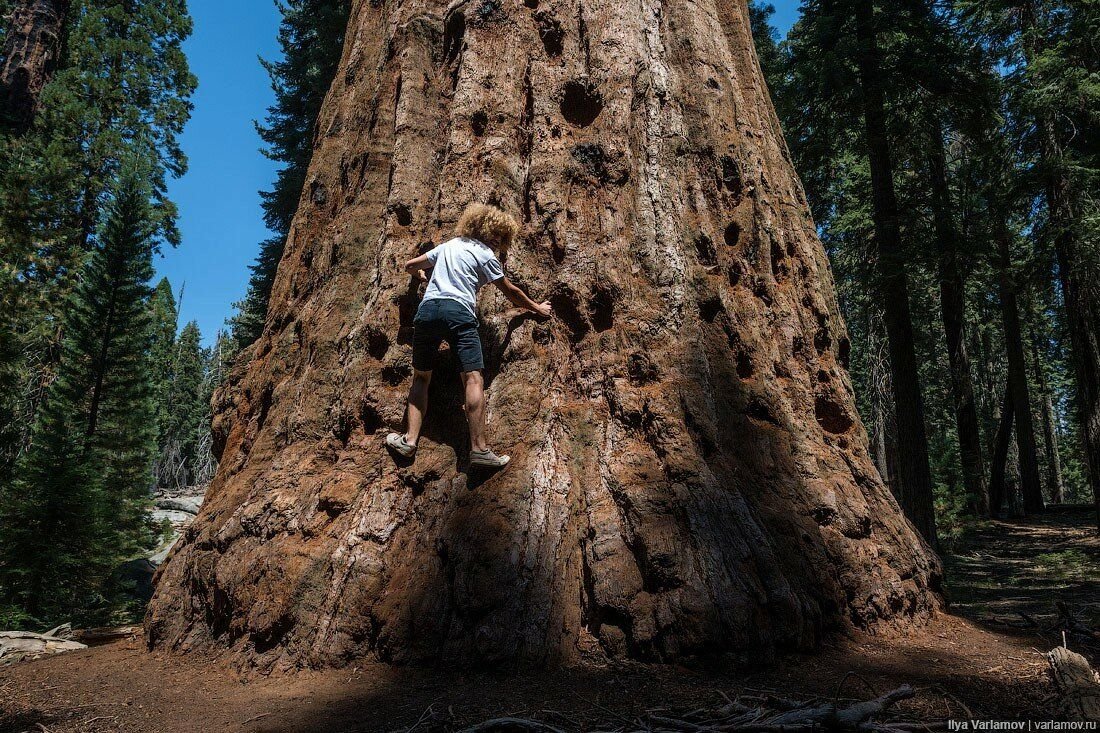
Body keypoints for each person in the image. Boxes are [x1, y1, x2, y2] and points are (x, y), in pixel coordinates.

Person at [386, 203, 552, 468]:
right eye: (495, 235)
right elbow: (510, 291)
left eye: (501, 238)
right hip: (459, 313)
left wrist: (420, 275)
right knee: (473, 379)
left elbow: (409, 265)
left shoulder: (449, 245)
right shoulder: (485, 254)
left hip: (428, 311)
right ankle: (480, 450)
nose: (497, 241)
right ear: (482, 229)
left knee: (421, 377)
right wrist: (536, 307)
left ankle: (409, 442)